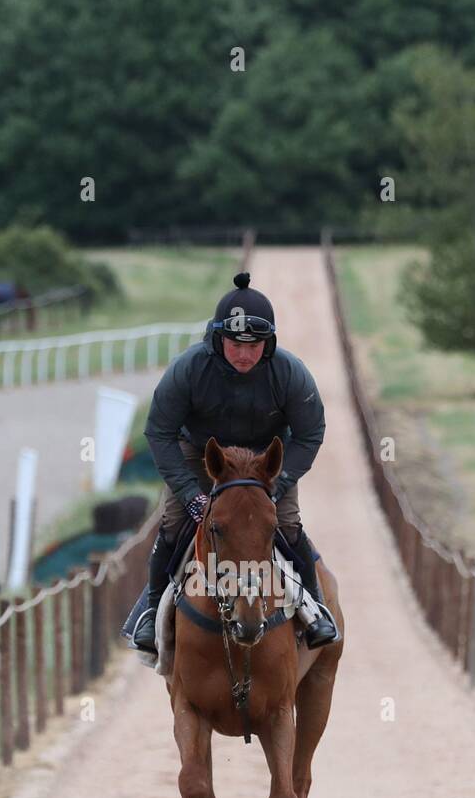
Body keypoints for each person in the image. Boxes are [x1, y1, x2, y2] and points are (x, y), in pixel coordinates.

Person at [132, 271, 339, 654]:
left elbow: (310, 433)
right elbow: (159, 431)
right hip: (202, 455)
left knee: (289, 526)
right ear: (217, 339)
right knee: (174, 524)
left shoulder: (290, 373)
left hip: (265, 461)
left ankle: (313, 609)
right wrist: (191, 493)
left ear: (269, 342)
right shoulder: (189, 369)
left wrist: (277, 481)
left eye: (255, 345)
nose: (244, 354)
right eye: (234, 344)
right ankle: (149, 614)